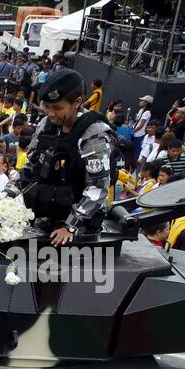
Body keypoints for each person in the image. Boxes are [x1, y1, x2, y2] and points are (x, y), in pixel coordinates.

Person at [21, 68, 118, 246]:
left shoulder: (93, 134)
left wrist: (71, 225)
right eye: (47, 107)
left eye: (58, 108)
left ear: (77, 102)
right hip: (46, 214)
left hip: (80, 225)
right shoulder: (47, 125)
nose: (51, 113)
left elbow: (97, 188)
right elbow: (30, 167)